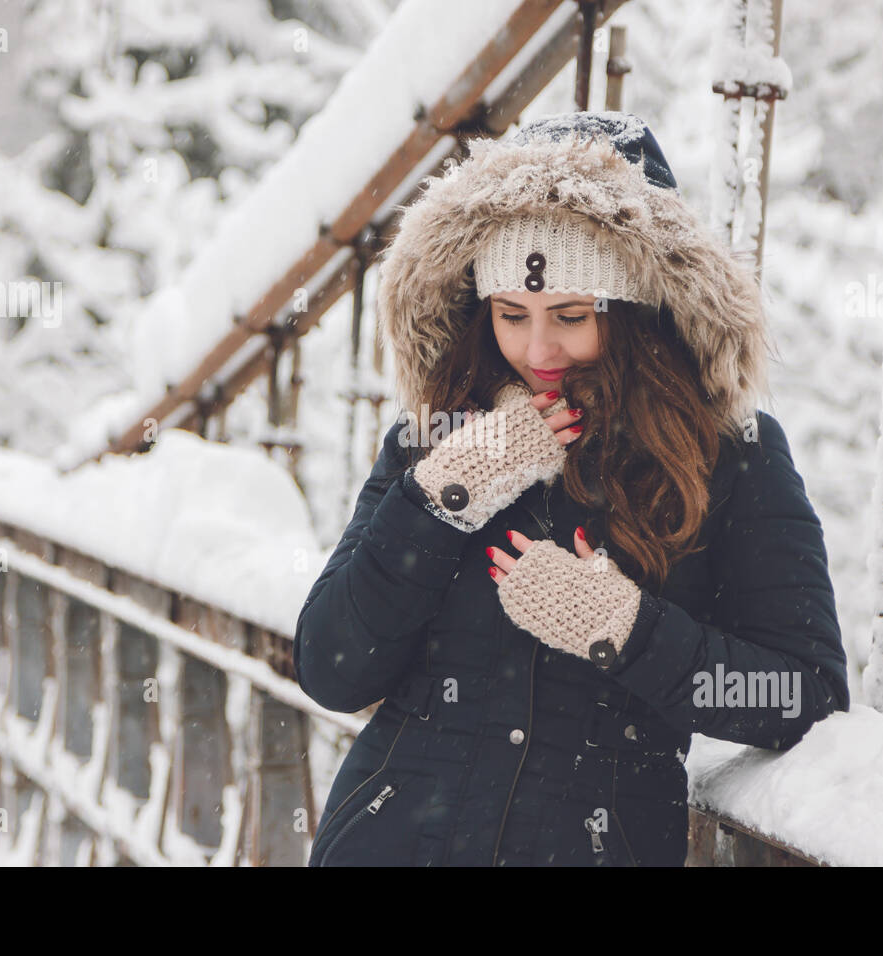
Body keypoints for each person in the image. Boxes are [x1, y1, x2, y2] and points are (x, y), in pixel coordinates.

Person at [293, 110, 850, 867]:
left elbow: (800, 697)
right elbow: (332, 666)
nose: (537, 348)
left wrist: (623, 630)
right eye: (510, 315)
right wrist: (440, 501)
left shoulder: (730, 457)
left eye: (570, 315)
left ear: (634, 314)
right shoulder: (435, 436)